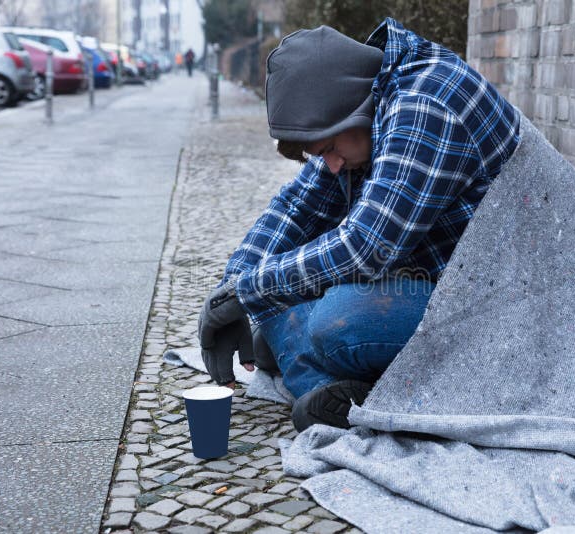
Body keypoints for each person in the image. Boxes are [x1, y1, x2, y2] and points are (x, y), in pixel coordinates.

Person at [198, 18, 520, 432]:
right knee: (282, 300)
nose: (330, 163)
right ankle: (332, 390)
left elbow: (365, 248)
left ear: (353, 104)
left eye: (330, 148)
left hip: (499, 309)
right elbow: (297, 207)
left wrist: (248, 293)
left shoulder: (427, 103)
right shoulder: (360, 107)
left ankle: (322, 374)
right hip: (431, 284)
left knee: (336, 322)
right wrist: (230, 288)